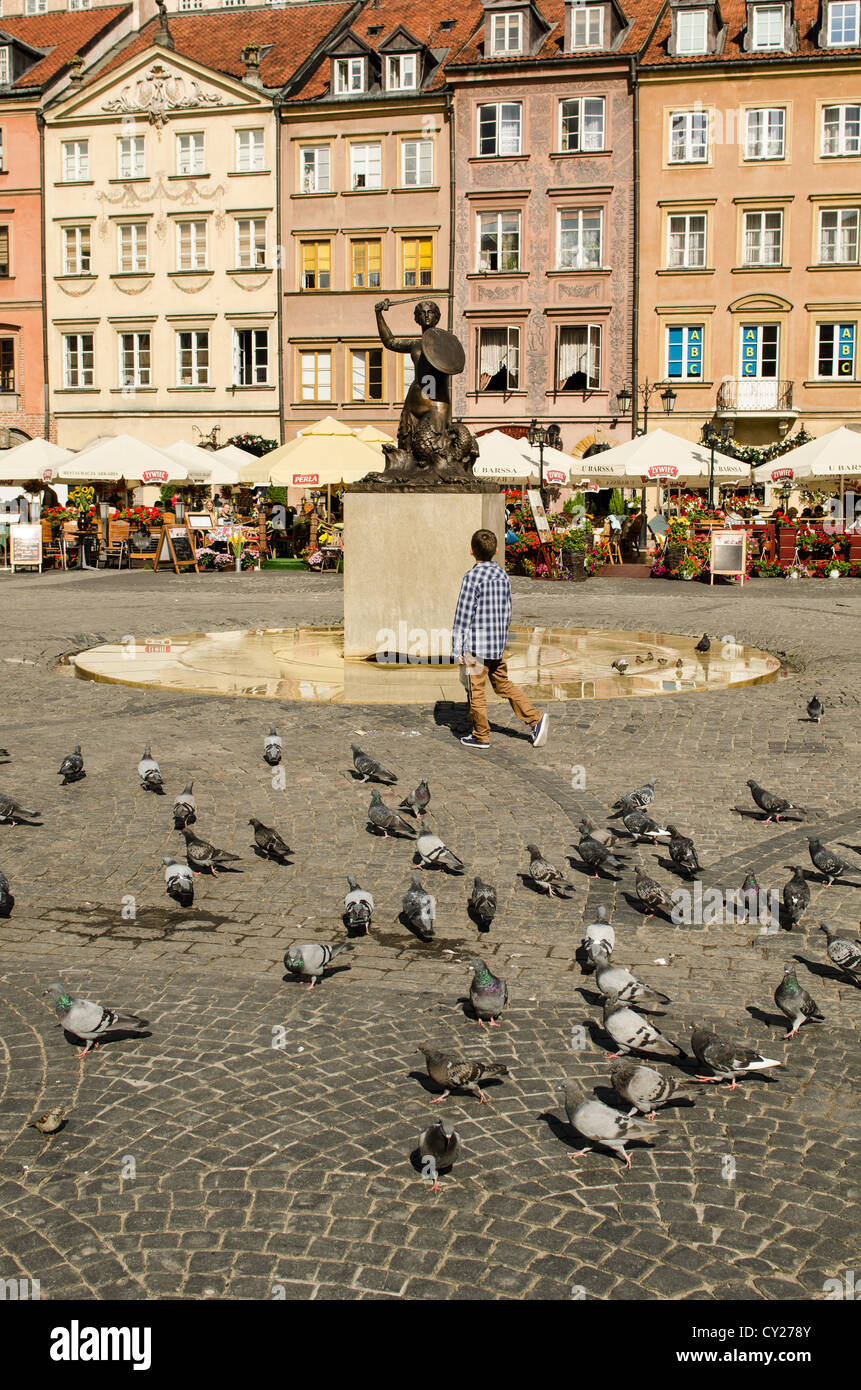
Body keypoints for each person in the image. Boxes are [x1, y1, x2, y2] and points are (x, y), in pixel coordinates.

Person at [452, 528, 549, 750]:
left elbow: (463, 615)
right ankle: (535, 718)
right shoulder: (503, 576)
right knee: (503, 684)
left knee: (476, 691)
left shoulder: (472, 577)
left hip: (476, 646)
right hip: (496, 644)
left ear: (471, 551)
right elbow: (507, 610)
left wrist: (457, 647)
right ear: (496, 550)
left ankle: (481, 735)